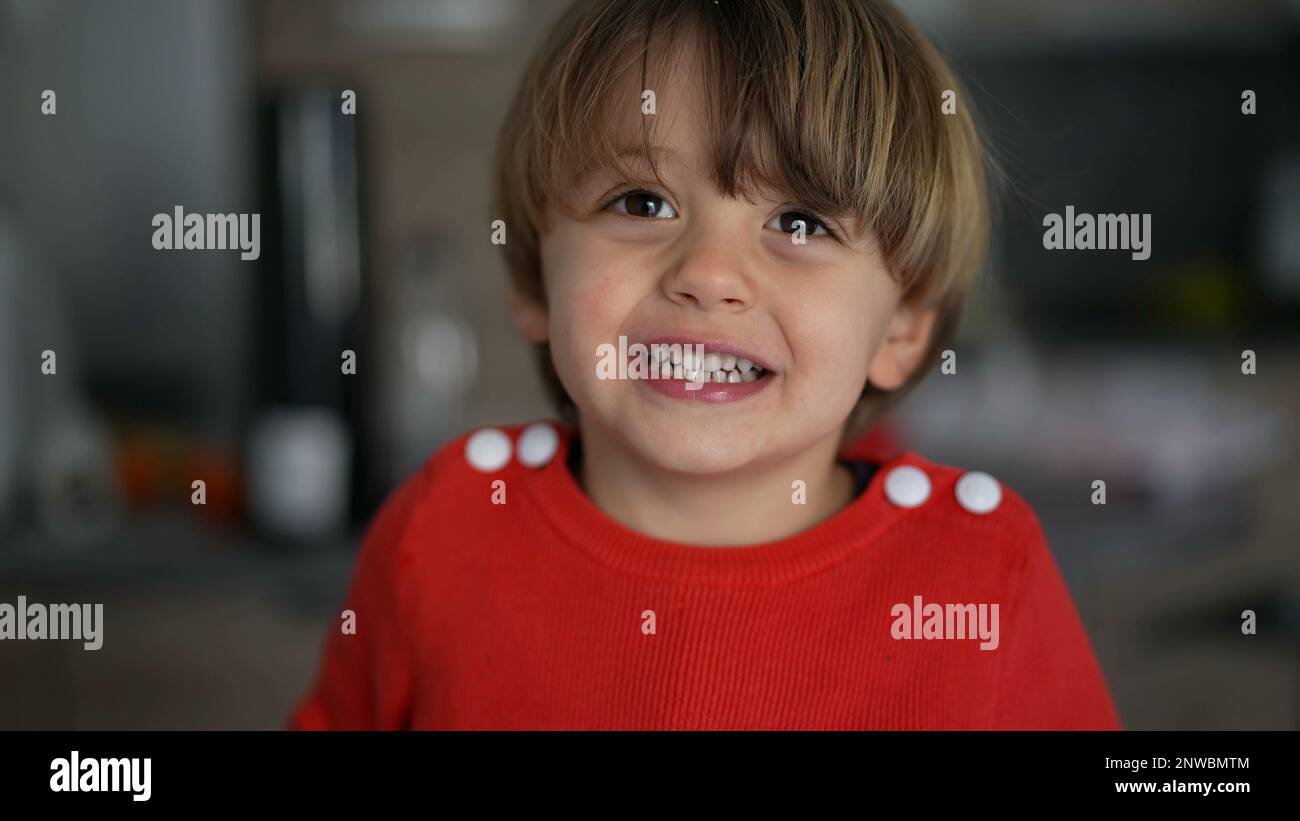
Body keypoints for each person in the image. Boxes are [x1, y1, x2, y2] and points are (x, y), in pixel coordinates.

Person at [290, 0, 1120, 730]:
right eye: (641, 203)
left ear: (902, 327)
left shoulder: (982, 575)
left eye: (800, 223)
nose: (708, 274)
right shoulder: (441, 534)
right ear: (533, 279)